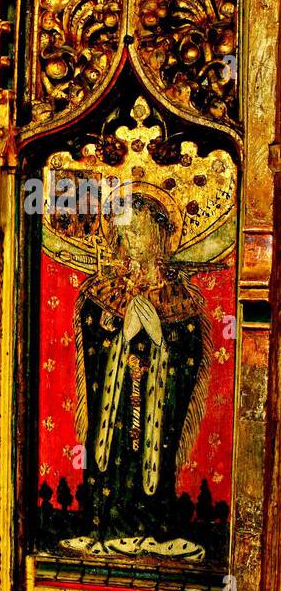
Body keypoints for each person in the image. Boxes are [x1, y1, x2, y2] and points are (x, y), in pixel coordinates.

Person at [71, 186, 211, 543]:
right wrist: (120, 335)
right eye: (124, 231)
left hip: (157, 409)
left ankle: (151, 526)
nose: (131, 239)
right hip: (115, 409)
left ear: (159, 233)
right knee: (114, 457)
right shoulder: (104, 291)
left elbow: (188, 356)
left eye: (138, 229)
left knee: (154, 455)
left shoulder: (180, 297)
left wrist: (161, 340)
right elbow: (93, 348)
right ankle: (107, 525)